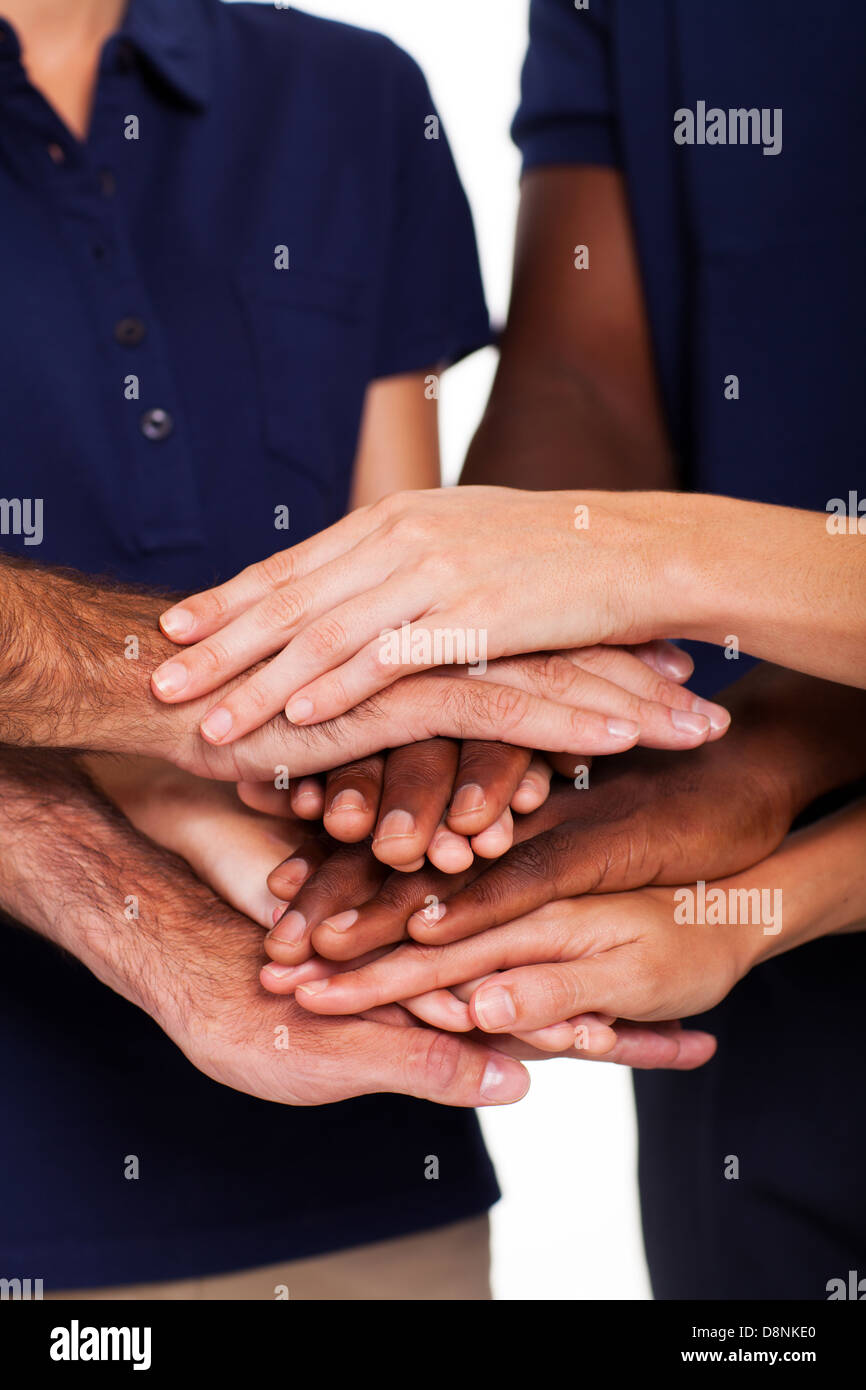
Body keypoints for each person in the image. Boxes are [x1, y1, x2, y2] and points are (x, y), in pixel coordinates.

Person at [183, 0, 866, 1299]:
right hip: (729, 977)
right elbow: (584, 382)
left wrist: (635, 558)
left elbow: (601, 527)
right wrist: (480, 707)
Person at [1, 0, 666, 1302]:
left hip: (355, 1137)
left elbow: (397, 625)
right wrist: (179, 752)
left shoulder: (350, 96)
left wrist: (444, 840)